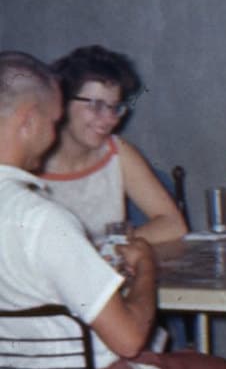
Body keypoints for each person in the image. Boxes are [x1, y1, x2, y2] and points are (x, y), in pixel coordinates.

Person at [0, 51, 226, 369]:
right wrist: (146, 271)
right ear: (28, 120)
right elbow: (129, 339)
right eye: (57, 115)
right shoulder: (42, 218)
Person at [38, 45, 186, 245]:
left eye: (115, 107)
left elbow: (173, 225)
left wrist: (107, 247)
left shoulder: (117, 152)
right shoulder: (30, 159)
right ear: (62, 103)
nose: (109, 119)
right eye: (96, 105)